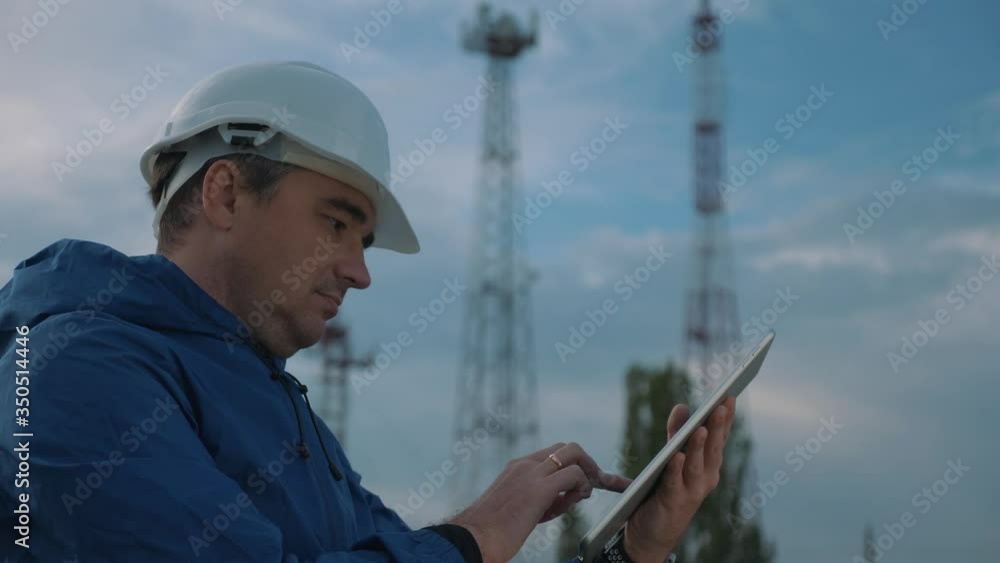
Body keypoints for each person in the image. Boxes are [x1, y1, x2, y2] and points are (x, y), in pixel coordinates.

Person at [0, 61, 736, 563]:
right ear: (224, 192)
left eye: (365, 238)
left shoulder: (290, 420)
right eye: (336, 221)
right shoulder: (68, 373)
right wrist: (475, 535)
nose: (359, 271)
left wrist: (633, 551)